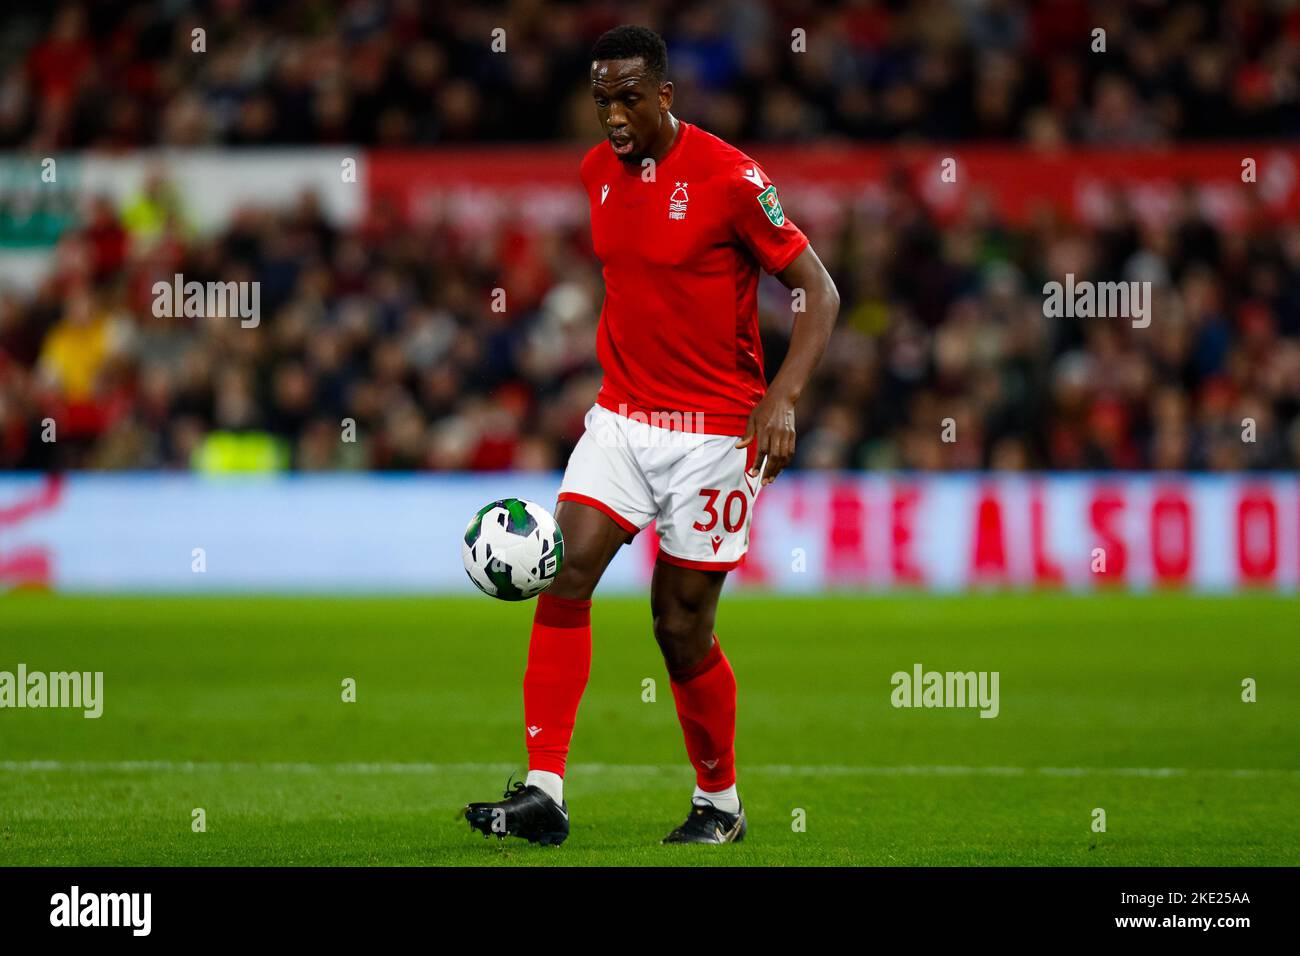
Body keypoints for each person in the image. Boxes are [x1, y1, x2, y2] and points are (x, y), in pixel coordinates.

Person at [464, 24, 839, 846]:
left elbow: (819, 290)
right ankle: (543, 791)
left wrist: (783, 397)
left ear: (665, 93)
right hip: (623, 419)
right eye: (602, 99)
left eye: (629, 96)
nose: (614, 114)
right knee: (565, 577)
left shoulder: (731, 177)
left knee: (679, 627)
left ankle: (721, 805)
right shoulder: (597, 172)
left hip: (716, 437)